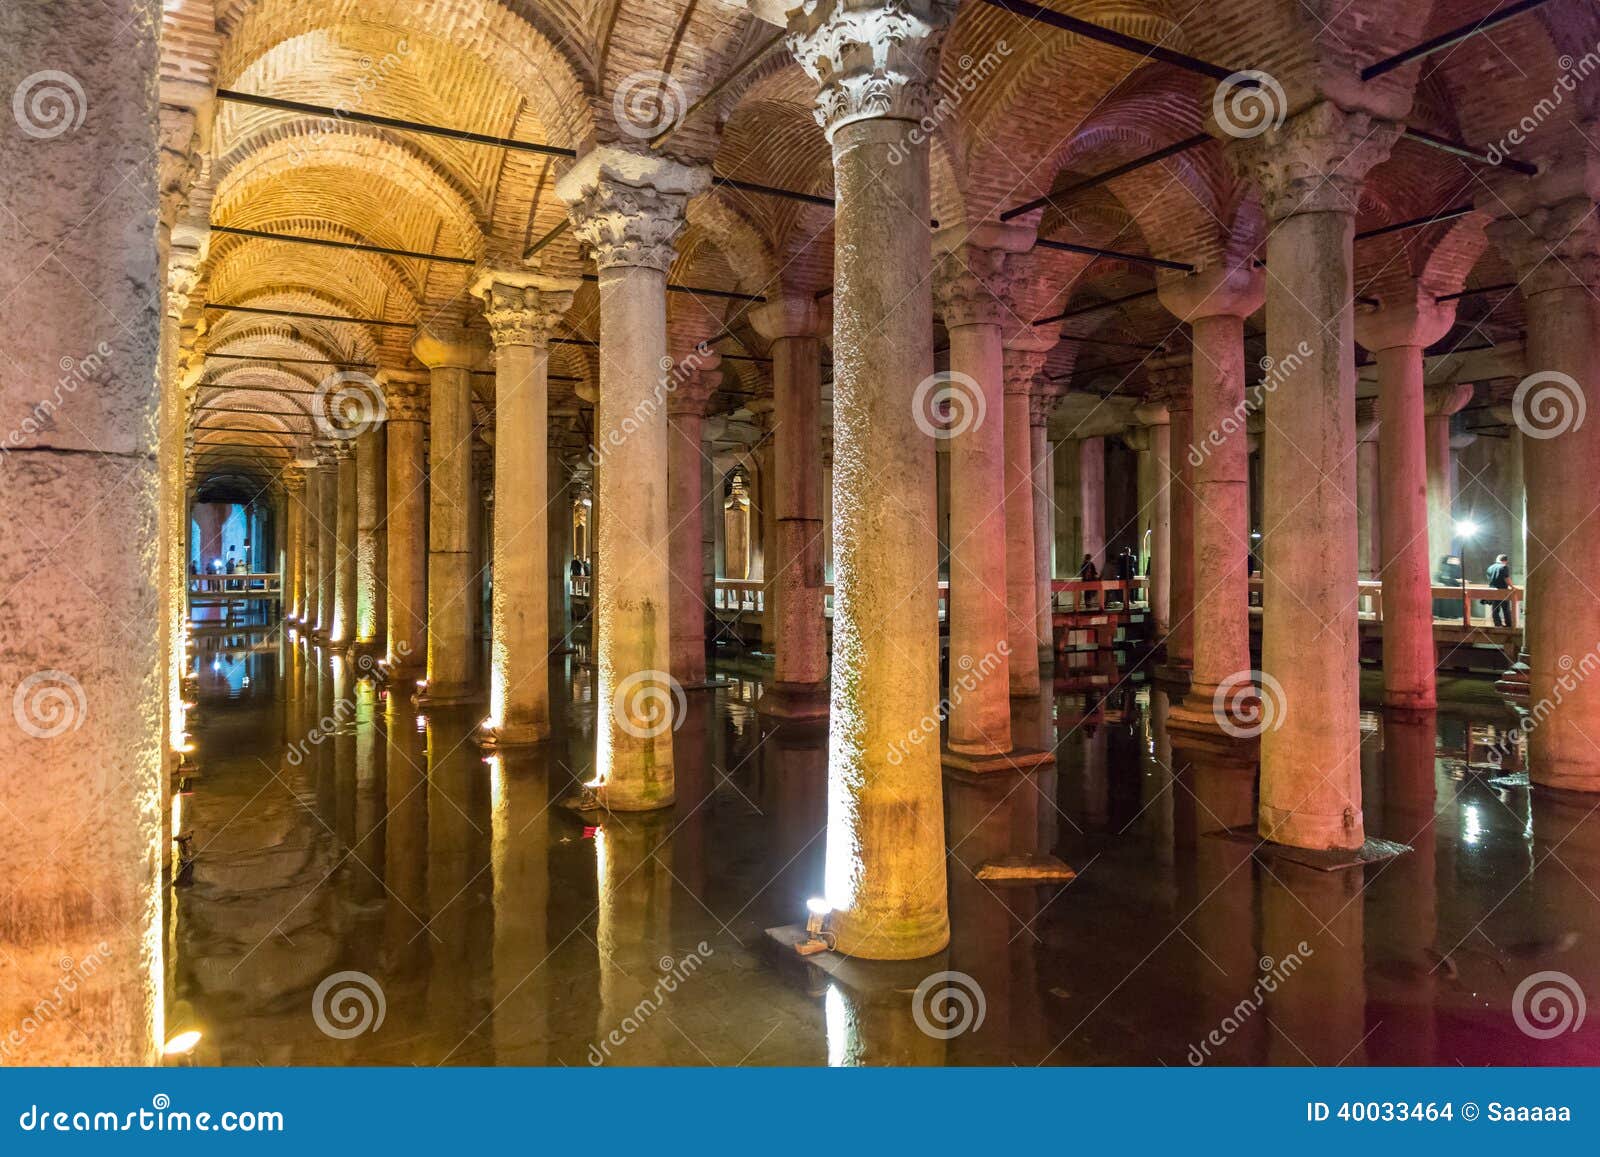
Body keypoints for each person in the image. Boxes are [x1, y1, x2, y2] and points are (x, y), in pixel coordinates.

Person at [1486, 553, 1514, 627]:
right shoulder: (1504, 567)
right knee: (1506, 609)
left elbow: (1489, 579)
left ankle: (1498, 625)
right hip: (1503, 591)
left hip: (1493, 591)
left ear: (1497, 559)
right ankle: (1508, 625)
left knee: (1495, 609)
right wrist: (1512, 587)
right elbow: (1506, 578)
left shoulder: (1490, 567)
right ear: (1506, 561)